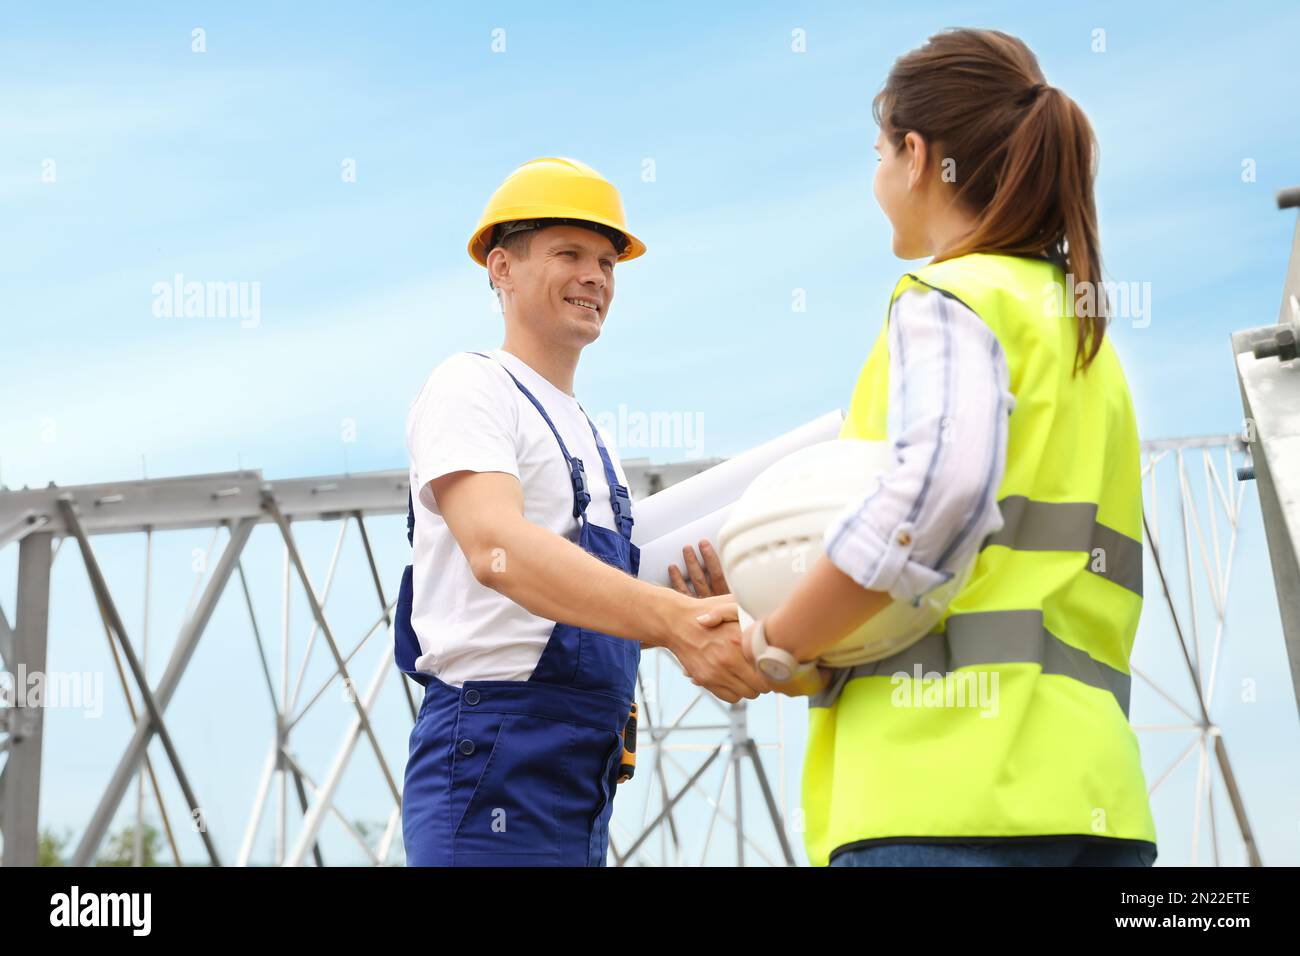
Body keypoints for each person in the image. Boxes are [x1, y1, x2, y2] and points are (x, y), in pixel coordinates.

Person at [696, 28, 1159, 867]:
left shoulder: (947, 299)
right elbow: (1002, 574)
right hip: (1094, 803)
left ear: (916, 156)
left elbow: (936, 500)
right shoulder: (1084, 337)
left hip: (941, 801)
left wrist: (778, 643)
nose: (876, 178)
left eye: (878, 153)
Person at [396, 157, 763, 867]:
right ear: (500, 268)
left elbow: (592, 598)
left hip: (583, 779)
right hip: (493, 759)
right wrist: (674, 623)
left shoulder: (593, 440)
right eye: (570, 253)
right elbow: (495, 547)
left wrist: (703, 600)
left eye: (606, 261)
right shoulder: (470, 386)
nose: (595, 277)